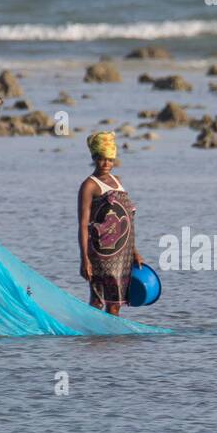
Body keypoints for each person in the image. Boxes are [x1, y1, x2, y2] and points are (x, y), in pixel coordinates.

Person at [77, 131, 144, 315]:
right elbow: (83, 225)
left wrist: (134, 252)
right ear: (94, 158)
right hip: (100, 252)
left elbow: (126, 219)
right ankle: (90, 332)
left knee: (115, 303)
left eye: (110, 159)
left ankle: (110, 334)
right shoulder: (89, 185)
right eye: (102, 159)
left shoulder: (118, 181)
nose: (106, 164)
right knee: (98, 301)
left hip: (122, 253)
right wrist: (85, 259)